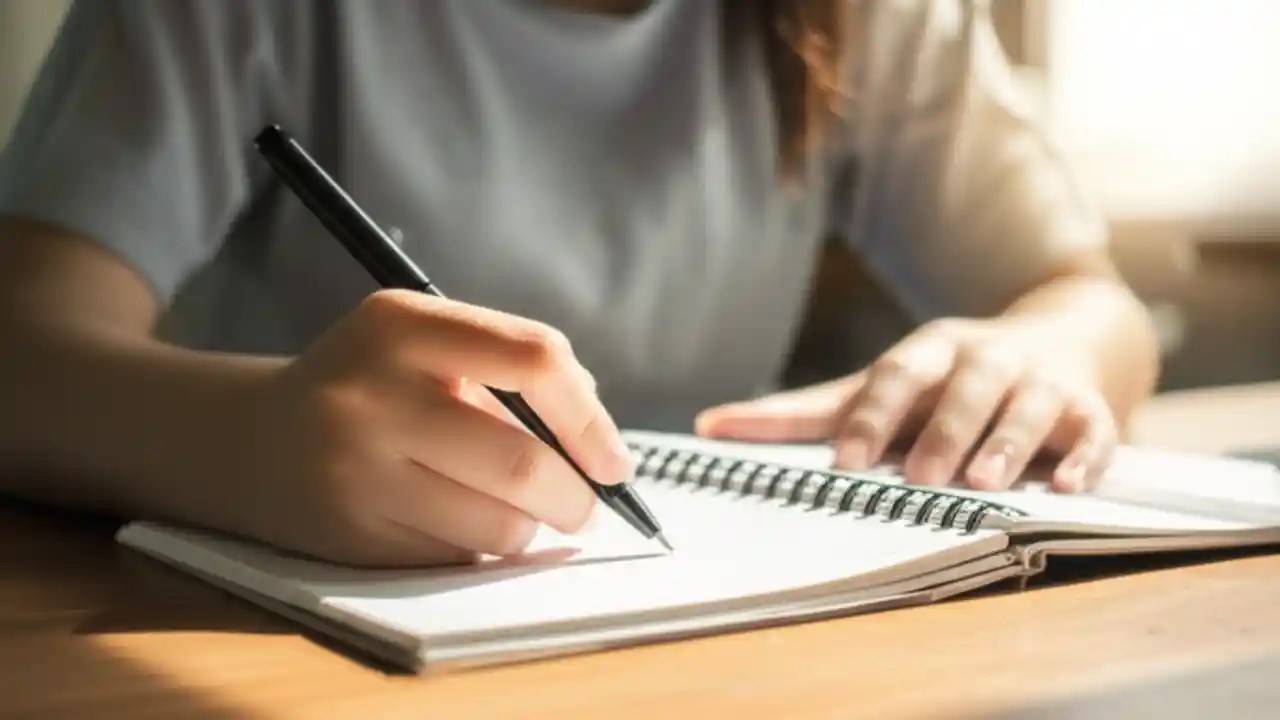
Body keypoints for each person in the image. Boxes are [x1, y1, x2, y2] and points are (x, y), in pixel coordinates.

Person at [0, 0, 1158, 566]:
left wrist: (1050, 352)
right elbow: (21, 358)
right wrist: (245, 442)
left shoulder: (865, 14)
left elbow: (1084, 298)